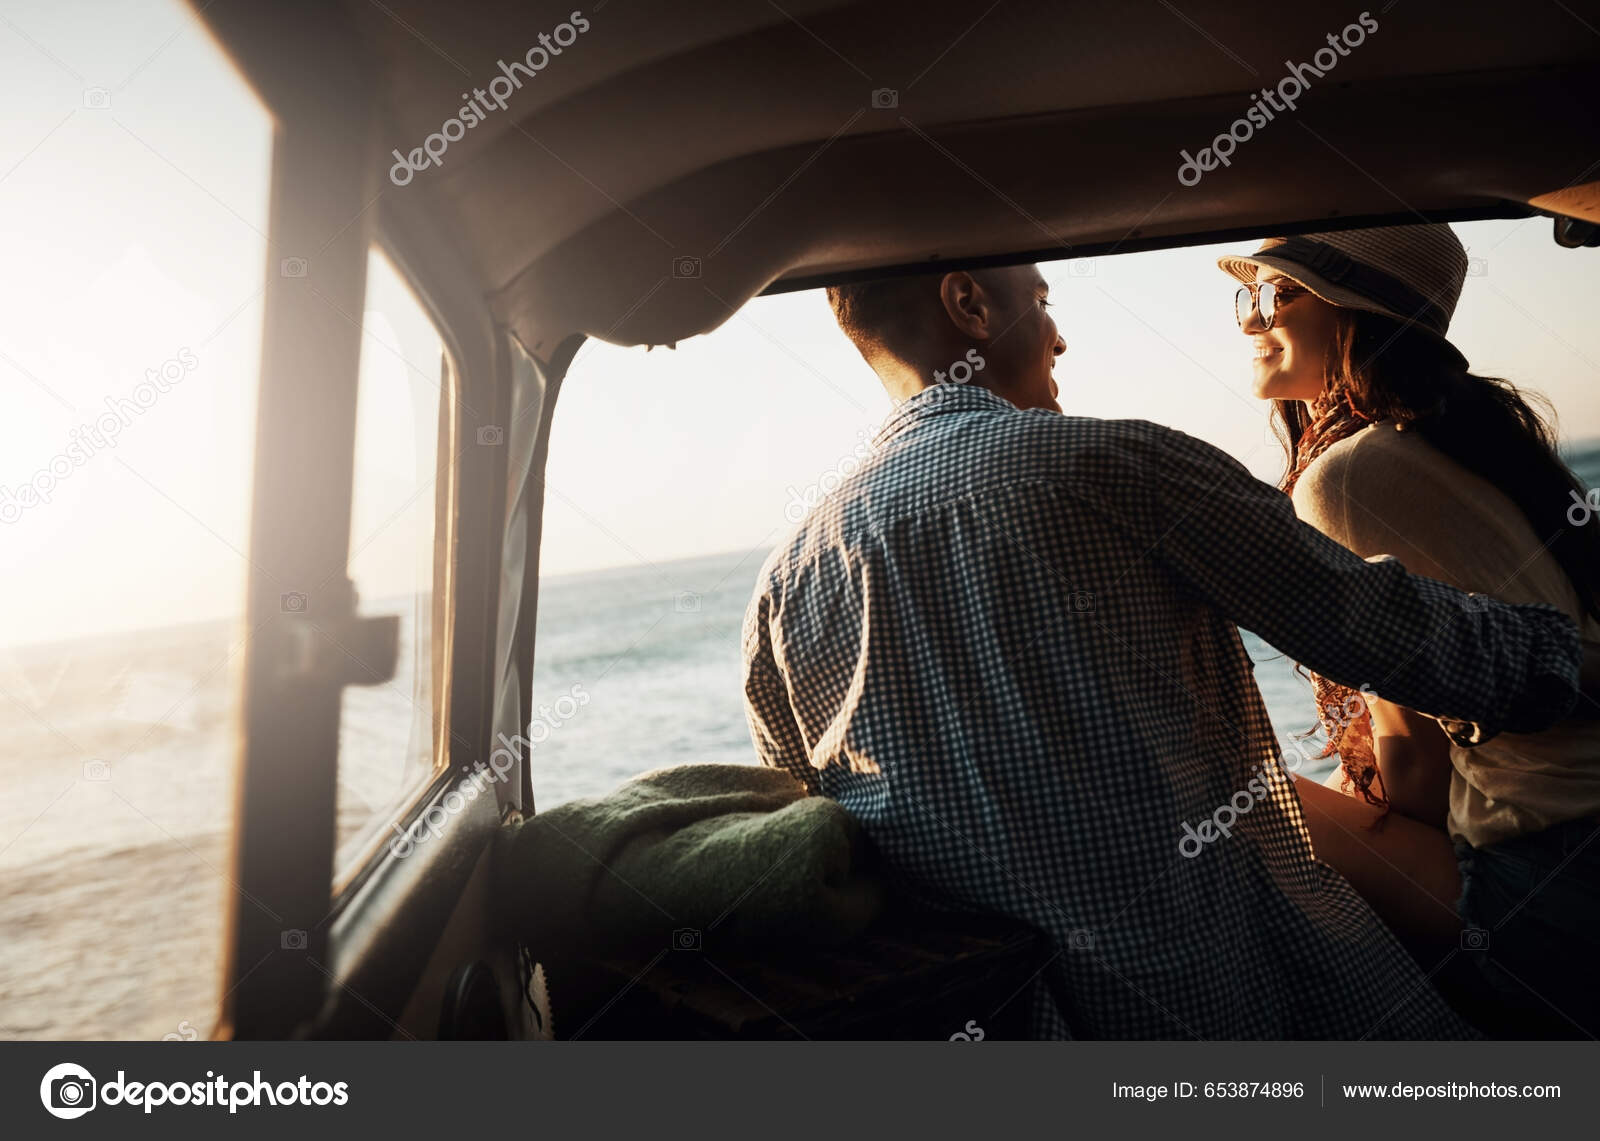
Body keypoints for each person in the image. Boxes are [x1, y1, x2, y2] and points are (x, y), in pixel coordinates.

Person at [740, 261, 1587, 1040]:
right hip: (1260, 1002)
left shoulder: (780, 586)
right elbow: (1389, 628)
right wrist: (1566, 654)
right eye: (1042, 302)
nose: (1059, 335)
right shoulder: (1113, 463)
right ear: (969, 304)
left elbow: (819, 840)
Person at [1221, 224, 1600, 1037]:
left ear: (1355, 315)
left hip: (1557, 881)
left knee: (1242, 802)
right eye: (1250, 295)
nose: (1251, 321)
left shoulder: (1344, 476)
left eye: (1280, 294)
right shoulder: (1465, 437)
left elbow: (1418, 768)